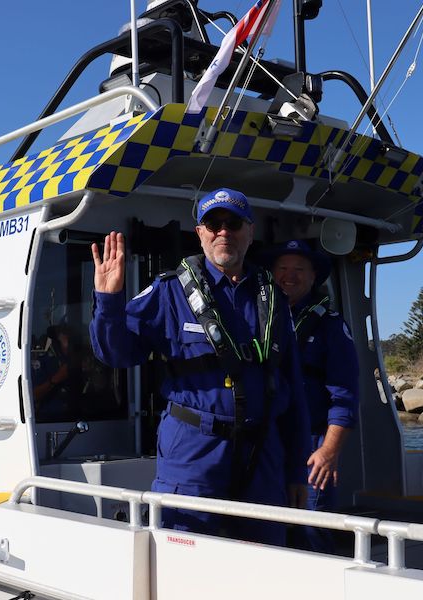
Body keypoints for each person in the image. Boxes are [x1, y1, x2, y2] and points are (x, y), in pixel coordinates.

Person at [90, 188, 311, 546]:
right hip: (193, 455)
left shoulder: (273, 300)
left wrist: (297, 470)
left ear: (249, 232)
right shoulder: (168, 292)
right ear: (201, 233)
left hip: (263, 457)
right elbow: (116, 355)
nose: (224, 231)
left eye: (233, 223)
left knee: (267, 564)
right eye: (214, 223)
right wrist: (108, 301)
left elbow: (293, 388)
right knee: (185, 561)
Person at [268, 239, 359, 552]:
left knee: (313, 531)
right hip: (266, 445)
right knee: (264, 529)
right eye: (282, 268)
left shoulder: (330, 327)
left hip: (312, 448)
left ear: (312, 278)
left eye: (298, 270)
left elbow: (345, 397)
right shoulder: (257, 320)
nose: (289, 276)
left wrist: (329, 451)